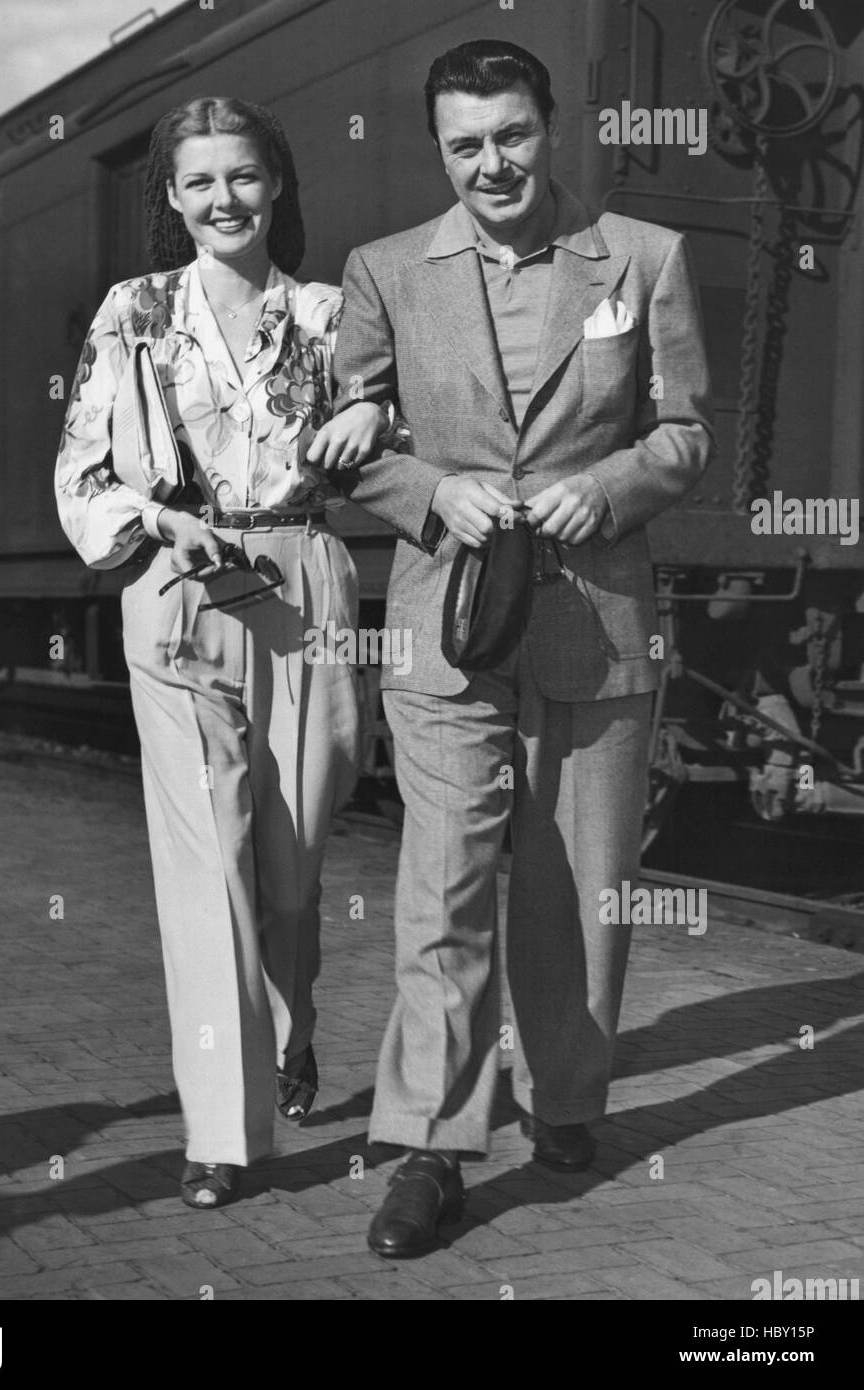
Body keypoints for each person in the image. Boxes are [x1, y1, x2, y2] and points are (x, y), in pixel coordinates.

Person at [323, 39, 715, 1257]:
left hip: (592, 619)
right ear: (437, 150)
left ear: (550, 128)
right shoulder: (384, 271)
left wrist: (605, 489)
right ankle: (431, 1147)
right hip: (447, 624)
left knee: (574, 887)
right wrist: (428, 493)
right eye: (463, 144)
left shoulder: (642, 259)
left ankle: (564, 1098)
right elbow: (348, 441)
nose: (489, 163)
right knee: (442, 884)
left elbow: (685, 433)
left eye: (510, 134)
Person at [55, 97, 394, 1209]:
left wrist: (372, 423)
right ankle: (223, 1125)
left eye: (242, 177)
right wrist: (157, 522)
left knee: (289, 868)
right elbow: (82, 475)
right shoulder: (134, 312)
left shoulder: (332, 312)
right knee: (207, 867)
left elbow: (393, 432)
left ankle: (290, 1031)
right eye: (198, 183)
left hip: (306, 587)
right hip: (179, 589)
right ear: (170, 198)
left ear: (277, 183)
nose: (222, 201)